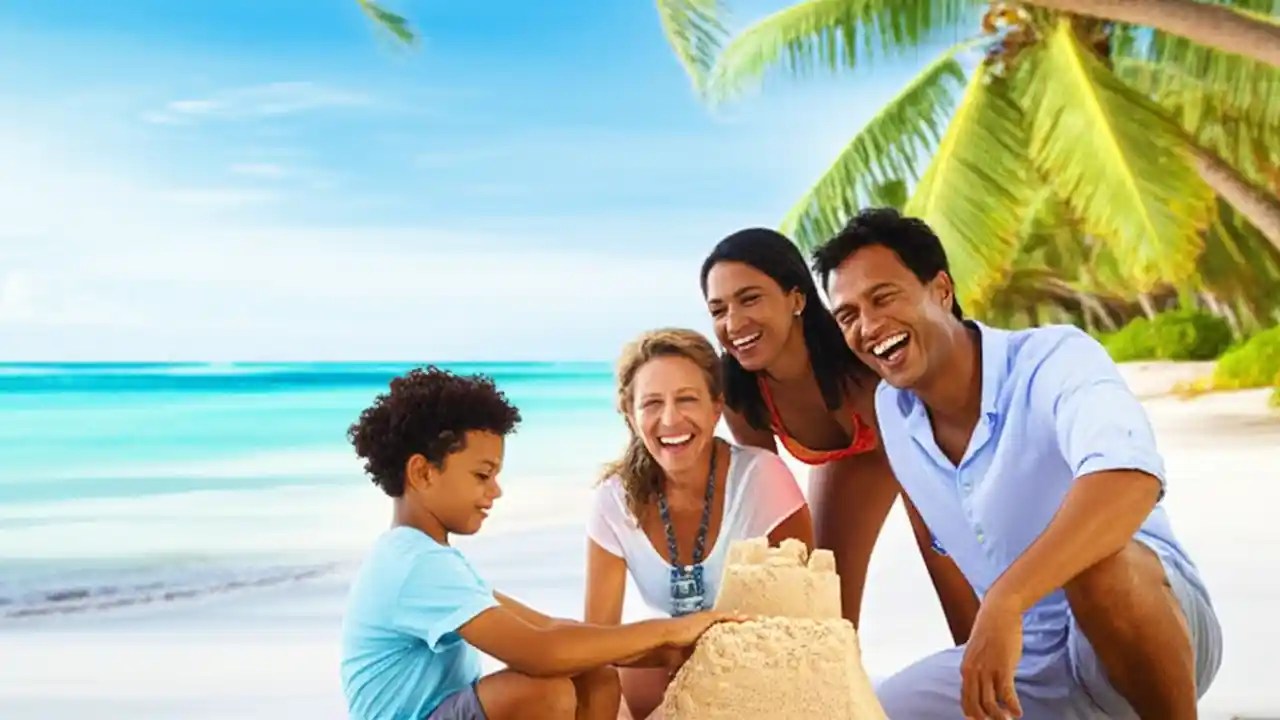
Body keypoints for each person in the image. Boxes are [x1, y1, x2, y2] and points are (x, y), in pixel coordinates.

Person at [810, 207, 1222, 719]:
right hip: (1030, 661)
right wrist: (980, 657)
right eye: (847, 315)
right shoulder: (893, 412)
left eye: (883, 297)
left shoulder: (1053, 358)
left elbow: (1128, 479)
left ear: (941, 289)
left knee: (1098, 568)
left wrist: (1006, 599)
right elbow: (947, 559)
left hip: (1156, 627)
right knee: (875, 712)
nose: (868, 326)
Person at [340, 366, 742, 720]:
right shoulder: (415, 565)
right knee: (542, 691)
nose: (495, 491)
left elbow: (549, 627)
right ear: (422, 473)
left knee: (597, 677)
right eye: (482, 475)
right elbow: (540, 649)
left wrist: (674, 647)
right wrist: (668, 630)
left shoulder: (428, 557)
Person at [699, 227, 979, 637]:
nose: (734, 322)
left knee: (943, 548)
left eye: (750, 298)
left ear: (796, 298)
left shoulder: (857, 357)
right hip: (852, 461)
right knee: (826, 607)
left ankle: (987, 672)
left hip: (924, 442)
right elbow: (771, 510)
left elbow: (932, 530)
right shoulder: (740, 389)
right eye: (718, 309)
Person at [584, 327, 814, 720]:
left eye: (687, 399)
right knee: (580, 683)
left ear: (715, 407)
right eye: (652, 403)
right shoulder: (614, 499)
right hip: (667, 664)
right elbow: (596, 640)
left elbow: (802, 622)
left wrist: (696, 649)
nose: (670, 419)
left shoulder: (762, 481)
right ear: (630, 413)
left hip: (760, 672)